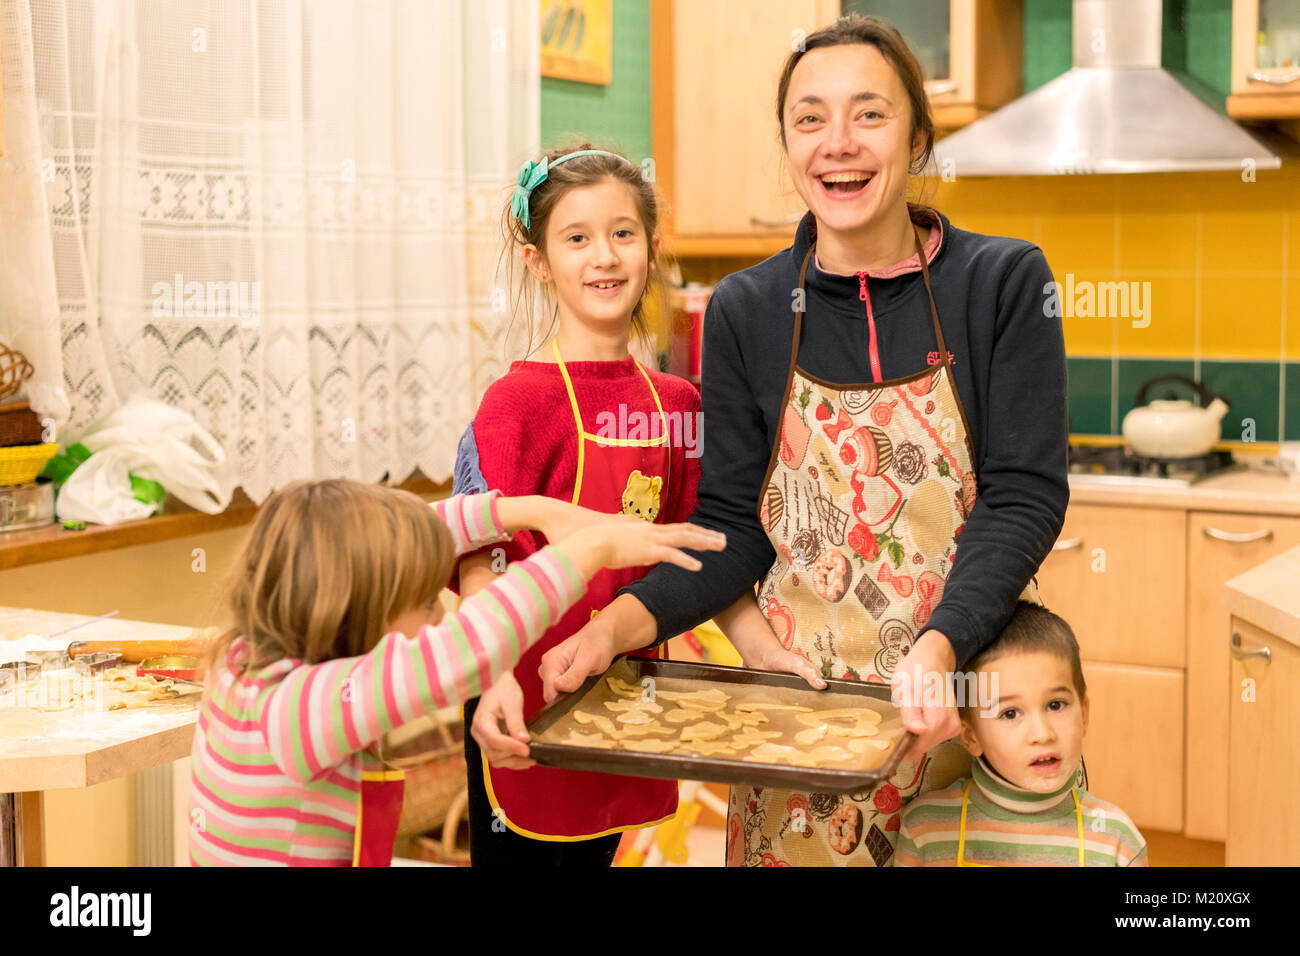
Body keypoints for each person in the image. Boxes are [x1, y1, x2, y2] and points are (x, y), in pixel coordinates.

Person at [536, 14, 1070, 867]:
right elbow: (732, 529)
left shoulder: (1001, 283)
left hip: (966, 702)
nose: (839, 144)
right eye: (810, 118)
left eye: (871, 114)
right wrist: (615, 627)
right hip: (799, 723)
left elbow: (1024, 493)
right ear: (786, 143)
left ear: (920, 136)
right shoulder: (749, 309)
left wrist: (939, 648)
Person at [453, 143, 819, 867]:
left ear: (651, 251)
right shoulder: (515, 404)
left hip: (623, 709)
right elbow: (480, 560)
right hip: (522, 702)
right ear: (539, 262)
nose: (605, 256)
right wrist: (489, 678)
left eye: (623, 233)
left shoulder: (680, 404)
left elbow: (703, 554)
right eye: (577, 237)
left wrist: (760, 650)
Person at [187, 479, 725, 866]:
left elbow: (406, 541)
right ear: (356, 608)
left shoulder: (244, 662)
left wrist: (528, 511)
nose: (440, 612)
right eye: (424, 600)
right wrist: (590, 549)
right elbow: (468, 647)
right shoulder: (301, 709)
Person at [895, 602, 1147, 866]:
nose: (1041, 734)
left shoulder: (1117, 840)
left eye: (1055, 705)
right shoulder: (924, 830)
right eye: (1010, 713)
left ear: (1084, 714)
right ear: (971, 737)